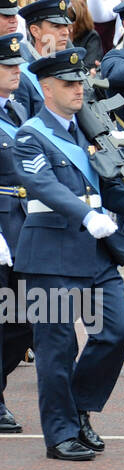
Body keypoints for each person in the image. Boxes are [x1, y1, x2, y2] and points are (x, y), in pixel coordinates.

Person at [13, 47, 124, 460]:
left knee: (116, 333)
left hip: (95, 252)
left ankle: (79, 407)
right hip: (51, 254)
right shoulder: (30, 134)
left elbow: (106, 183)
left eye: (80, 82)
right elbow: (44, 186)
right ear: (46, 88)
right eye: (67, 84)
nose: (77, 90)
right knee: (58, 347)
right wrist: (87, 215)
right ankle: (61, 434)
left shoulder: (87, 131)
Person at [0, 33, 32, 434]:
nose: (16, 72)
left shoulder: (19, 109)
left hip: (23, 229)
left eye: (16, 65)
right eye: (7, 67)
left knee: (26, 320)